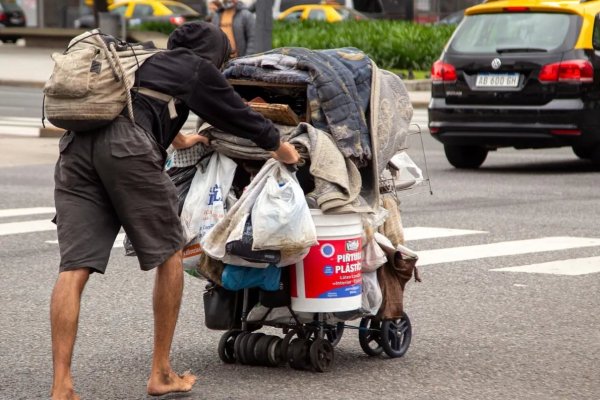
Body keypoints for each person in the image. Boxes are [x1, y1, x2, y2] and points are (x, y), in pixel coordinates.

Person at [50, 21, 299, 400]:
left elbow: (141, 104)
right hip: (127, 150)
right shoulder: (197, 67)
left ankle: (61, 386)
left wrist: (181, 137)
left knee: (74, 268)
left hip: (76, 150)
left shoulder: (146, 60)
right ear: (215, 53)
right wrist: (282, 149)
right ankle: (161, 373)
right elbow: (240, 116)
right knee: (170, 254)